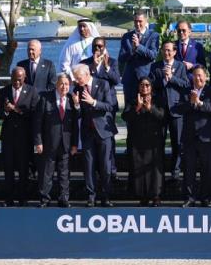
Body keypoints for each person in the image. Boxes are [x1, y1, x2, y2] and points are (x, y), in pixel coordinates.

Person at [71, 64, 118, 207]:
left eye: (79, 78)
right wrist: (77, 105)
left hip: (104, 131)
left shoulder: (103, 84)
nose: (77, 81)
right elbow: (78, 115)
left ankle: (106, 196)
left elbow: (110, 106)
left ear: (86, 75)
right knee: (89, 165)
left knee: (105, 166)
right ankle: (91, 196)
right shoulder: (78, 89)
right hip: (88, 132)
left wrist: (94, 102)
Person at [176, 66, 211, 207]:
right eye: (195, 76)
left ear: (205, 76)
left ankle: (206, 198)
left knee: (207, 170)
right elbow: (179, 108)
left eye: (200, 75)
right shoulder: (186, 91)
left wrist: (200, 103)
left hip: (206, 137)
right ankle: (190, 197)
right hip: (189, 137)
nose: (198, 78)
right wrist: (191, 102)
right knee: (189, 169)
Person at [121, 77, 168, 206]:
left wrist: (149, 108)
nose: (145, 87)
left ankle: (156, 196)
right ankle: (143, 196)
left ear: (151, 87)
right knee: (139, 168)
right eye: (142, 85)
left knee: (155, 171)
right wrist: (137, 107)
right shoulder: (133, 100)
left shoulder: (158, 100)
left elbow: (163, 117)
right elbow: (125, 116)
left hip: (154, 141)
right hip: (137, 141)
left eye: (147, 85)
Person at [34, 73, 78, 208]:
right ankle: (44, 199)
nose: (64, 86)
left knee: (64, 173)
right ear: (56, 85)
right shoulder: (45, 98)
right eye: (61, 84)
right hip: (48, 143)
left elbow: (76, 124)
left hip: (66, 143)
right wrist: (38, 142)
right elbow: (37, 122)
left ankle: (63, 198)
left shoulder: (72, 99)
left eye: (66, 84)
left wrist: (75, 144)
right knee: (46, 173)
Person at [0, 66, 38, 206]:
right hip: (8, 137)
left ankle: (22, 198)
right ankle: (9, 199)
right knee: (8, 169)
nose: (16, 82)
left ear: (24, 78)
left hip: (24, 138)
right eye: (14, 80)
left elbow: (33, 113)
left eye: (19, 80)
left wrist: (16, 109)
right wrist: (6, 111)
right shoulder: (4, 91)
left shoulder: (32, 91)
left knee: (23, 170)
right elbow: (0, 114)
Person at [150, 41, 191, 180]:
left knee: (177, 142)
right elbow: (150, 86)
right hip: (160, 110)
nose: (166, 53)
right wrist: (162, 80)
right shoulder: (155, 66)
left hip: (176, 109)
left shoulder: (180, 66)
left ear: (174, 52)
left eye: (169, 50)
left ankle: (176, 171)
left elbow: (186, 84)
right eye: (164, 50)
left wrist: (172, 78)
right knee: (158, 142)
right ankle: (159, 171)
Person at [118, 11, 159, 107]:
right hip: (129, 81)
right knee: (129, 111)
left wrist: (139, 47)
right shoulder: (127, 37)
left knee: (146, 111)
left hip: (145, 80)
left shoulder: (154, 36)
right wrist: (132, 50)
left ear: (146, 21)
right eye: (135, 21)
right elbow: (121, 58)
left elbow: (153, 55)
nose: (137, 24)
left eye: (140, 21)